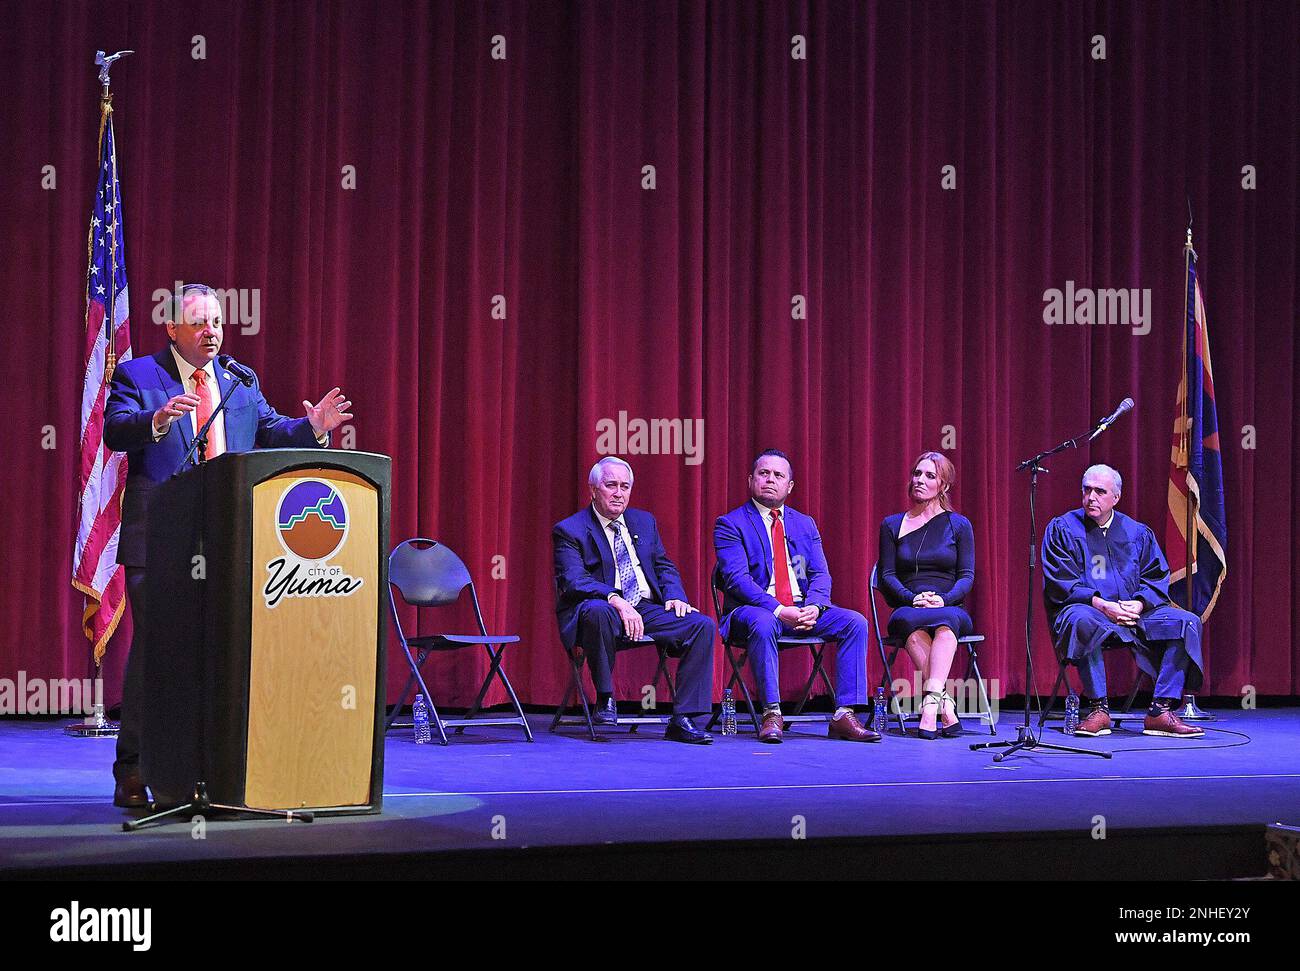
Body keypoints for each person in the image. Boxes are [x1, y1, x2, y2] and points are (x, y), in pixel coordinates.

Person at [104, 283, 353, 806]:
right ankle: (133, 769)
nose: (212, 331)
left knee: (222, 655)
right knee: (156, 654)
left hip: (228, 539)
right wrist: (156, 420)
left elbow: (271, 431)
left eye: (217, 322)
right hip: (161, 541)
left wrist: (312, 428)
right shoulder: (140, 375)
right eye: (199, 323)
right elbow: (114, 430)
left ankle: (210, 767)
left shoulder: (240, 380)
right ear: (172, 328)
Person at [713, 449, 879, 743]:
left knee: (855, 622)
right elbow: (737, 581)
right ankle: (771, 712)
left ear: (789, 486)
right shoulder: (731, 524)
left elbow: (820, 574)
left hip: (802, 609)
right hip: (752, 611)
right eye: (764, 474)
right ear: (751, 480)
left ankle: (844, 714)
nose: (770, 480)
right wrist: (779, 609)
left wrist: (815, 606)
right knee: (763, 623)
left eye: (778, 475)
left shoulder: (805, 524)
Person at [552, 457, 715, 744]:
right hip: (600, 611)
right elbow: (573, 580)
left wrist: (676, 596)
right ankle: (605, 699)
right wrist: (615, 598)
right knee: (597, 610)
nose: (618, 493)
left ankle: (684, 718)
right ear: (593, 489)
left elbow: (663, 565)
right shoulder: (570, 530)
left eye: (624, 486)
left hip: (645, 608)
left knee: (701, 625)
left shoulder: (644, 521)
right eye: (611, 485)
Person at [1041, 464, 1205, 738]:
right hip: (1089, 611)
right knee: (1082, 619)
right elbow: (1061, 582)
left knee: (1186, 622)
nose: (1091, 497)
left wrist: (1139, 603)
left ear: (1116, 497)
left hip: (1134, 615)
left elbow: (1156, 577)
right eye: (1087, 490)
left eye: (1099, 491)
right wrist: (1103, 605)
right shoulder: (1063, 528)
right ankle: (1098, 709)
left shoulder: (1136, 532)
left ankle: (1160, 710)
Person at [878, 451, 975, 739]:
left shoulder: (959, 525)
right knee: (910, 623)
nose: (919, 480)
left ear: (943, 485)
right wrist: (911, 598)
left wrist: (944, 599)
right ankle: (943, 703)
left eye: (930, 476)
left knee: (946, 624)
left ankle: (930, 704)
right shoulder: (892, 524)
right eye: (917, 474)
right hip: (909, 607)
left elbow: (966, 576)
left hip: (948, 605)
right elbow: (887, 575)